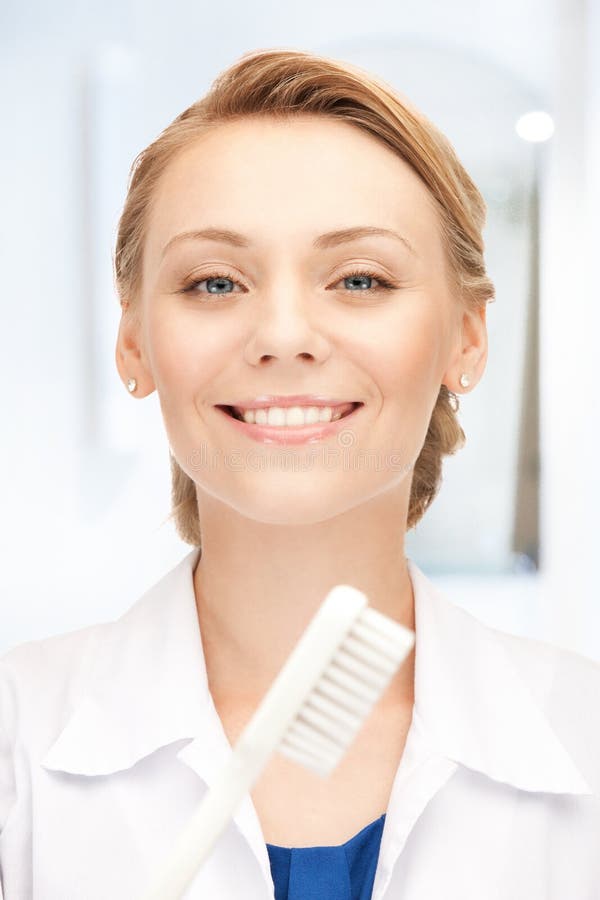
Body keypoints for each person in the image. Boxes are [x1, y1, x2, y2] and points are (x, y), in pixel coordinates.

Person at [1, 47, 599, 900]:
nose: (284, 334)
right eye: (214, 282)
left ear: (466, 338)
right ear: (134, 342)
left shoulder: (588, 738)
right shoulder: (17, 744)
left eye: (359, 278)